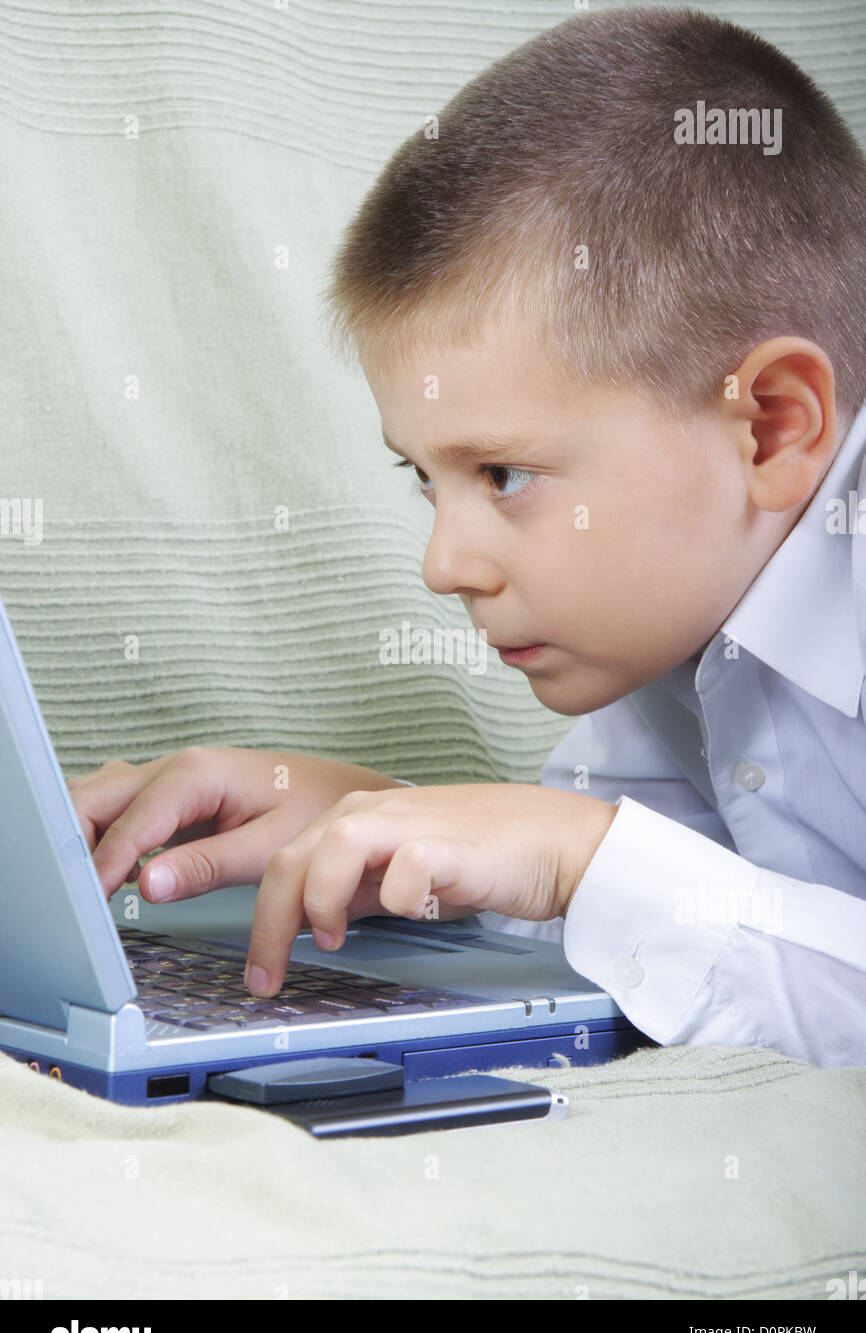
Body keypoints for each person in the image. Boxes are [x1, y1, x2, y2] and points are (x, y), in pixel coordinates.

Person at [67, 8, 866, 1066]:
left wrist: (581, 856)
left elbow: (608, 874)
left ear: (769, 424)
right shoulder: (673, 631)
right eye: (422, 477)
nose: (442, 566)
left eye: (505, 474)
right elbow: (662, 904)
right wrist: (384, 820)